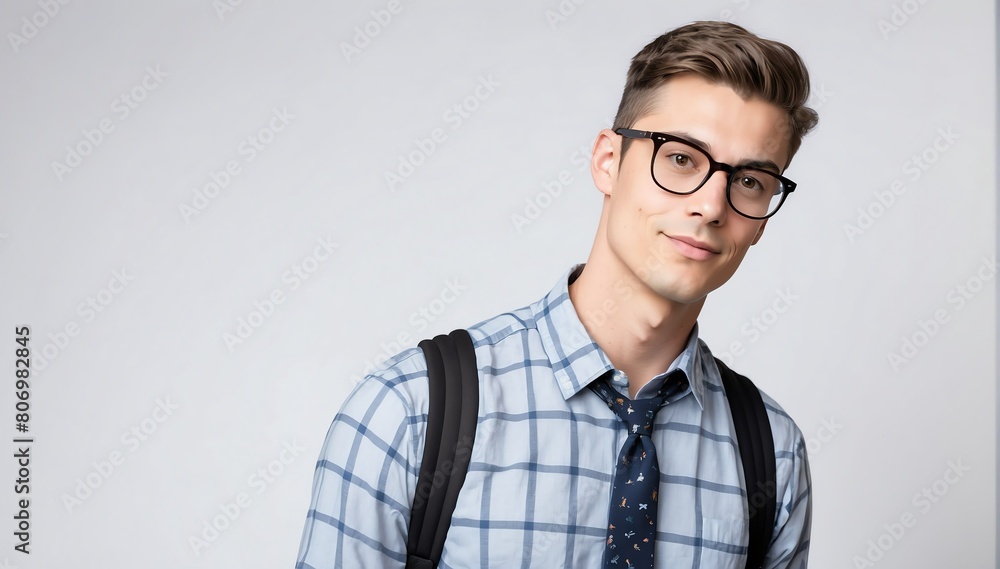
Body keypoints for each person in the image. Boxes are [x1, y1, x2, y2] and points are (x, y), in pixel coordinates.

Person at [296, 19, 818, 568]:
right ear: (608, 161)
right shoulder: (410, 412)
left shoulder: (773, 455)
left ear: (761, 220)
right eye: (681, 158)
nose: (711, 206)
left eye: (750, 181)